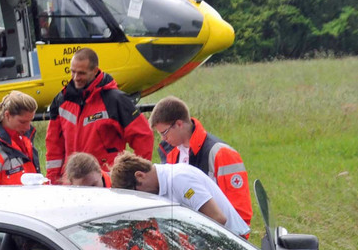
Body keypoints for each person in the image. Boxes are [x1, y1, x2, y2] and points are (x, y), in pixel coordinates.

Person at [43, 47, 153, 183]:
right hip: (72, 182)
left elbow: (143, 136)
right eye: (73, 72)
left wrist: (137, 175)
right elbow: (54, 145)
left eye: (81, 73)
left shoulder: (115, 100)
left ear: (94, 71)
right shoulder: (61, 100)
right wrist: (53, 180)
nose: (76, 78)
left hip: (106, 181)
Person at [149, 97, 253, 228]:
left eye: (164, 132)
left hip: (222, 235)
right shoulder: (172, 155)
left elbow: (240, 213)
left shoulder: (221, 153)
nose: (163, 138)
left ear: (179, 124)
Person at [109, 152, 249, 236]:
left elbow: (218, 218)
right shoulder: (159, 188)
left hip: (234, 243)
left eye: (136, 194)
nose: (140, 199)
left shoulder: (179, 179)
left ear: (140, 176)